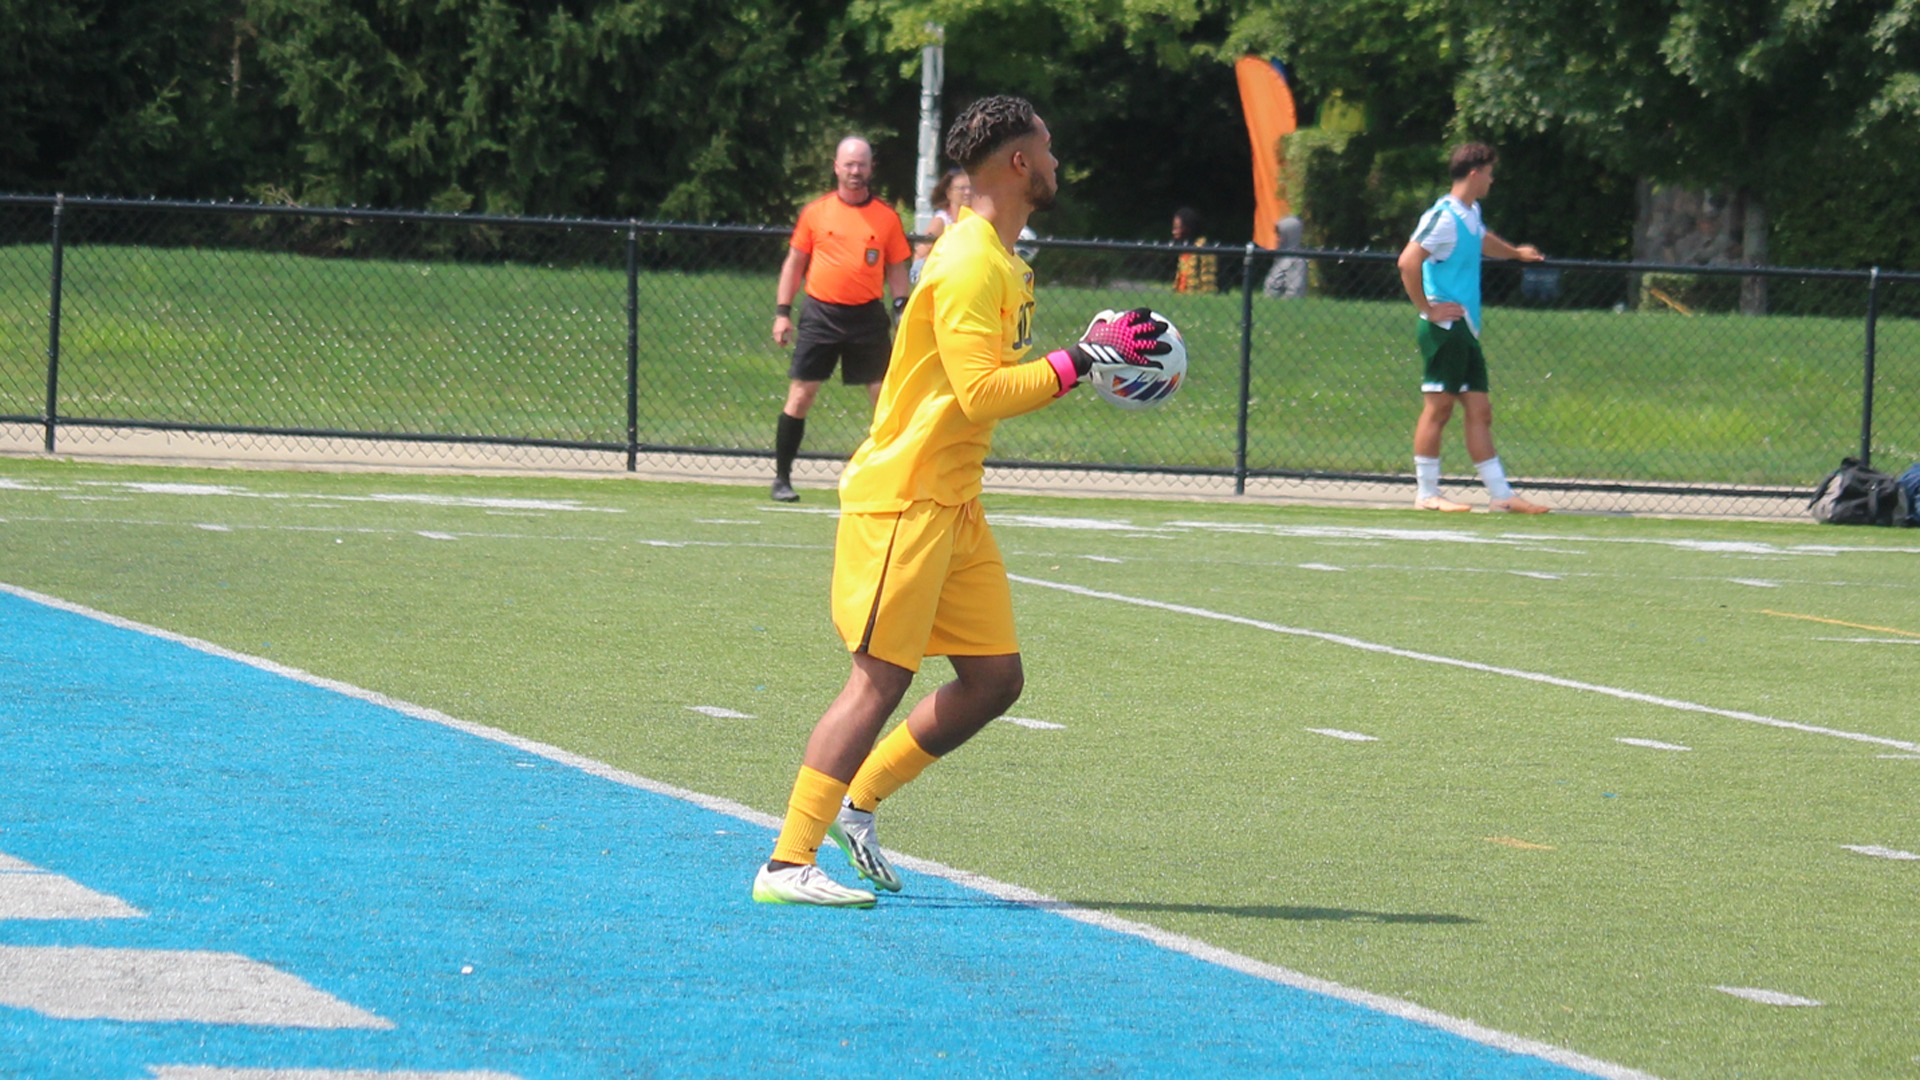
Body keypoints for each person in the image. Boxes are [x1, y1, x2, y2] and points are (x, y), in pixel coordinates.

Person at [751, 96, 1169, 907]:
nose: (1055, 161)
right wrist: (1083, 359)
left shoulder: (1003, 258)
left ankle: (859, 800)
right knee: (877, 680)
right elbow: (979, 395)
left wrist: (1081, 356)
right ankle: (785, 862)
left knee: (994, 679)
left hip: (954, 501)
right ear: (1018, 162)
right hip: (907, 496)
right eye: (1046, 147)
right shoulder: (972, 258)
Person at [1396, 143, 1550, 513]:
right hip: (1445, 330)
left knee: (1480, 411)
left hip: (1465, 330)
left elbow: (1481, 240)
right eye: (1490, 172)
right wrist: (1426, 308)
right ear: (1475, 173)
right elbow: (1408, 261)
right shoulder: (1443, 217)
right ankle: (1427, 494)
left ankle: (1501, 496)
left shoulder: (1470, 212)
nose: (1493, 179)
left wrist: (1516, 254)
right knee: (1439, 409)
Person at [769, 136, 913, 503]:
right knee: (801, 395)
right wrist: (782, 313)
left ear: (871, 168)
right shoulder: (816, 213)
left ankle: (889, 479)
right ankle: (782, 478)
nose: (855, 171)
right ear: (836, 166)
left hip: (867, 317)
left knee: (885, 399)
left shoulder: (886, 218)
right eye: (849, 164)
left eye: (861, 164)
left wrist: (901, 308)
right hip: (821, 313)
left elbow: (896, 267)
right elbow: (795, 264)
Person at [910, 167, 971, 283]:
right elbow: (920, 255)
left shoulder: (977, 219)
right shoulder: (941, 221)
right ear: (949, 193)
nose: (967, 192)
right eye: (962, 188)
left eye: (970, 188)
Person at [1171, 206, 1216, 293]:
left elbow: (1207, 275)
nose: (1173, 232)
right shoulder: (1183, 247)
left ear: (1188, 227)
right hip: (1182, 291)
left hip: (1195, 291)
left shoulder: (1202, 247)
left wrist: (1205, 291)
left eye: (1177, 228)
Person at [1263, 214, 1307, 299]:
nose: (1277, 239)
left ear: (1290, 235)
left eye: (1280, 235)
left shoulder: (1297, 261)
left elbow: (1294, 293)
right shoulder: (1281, 259)